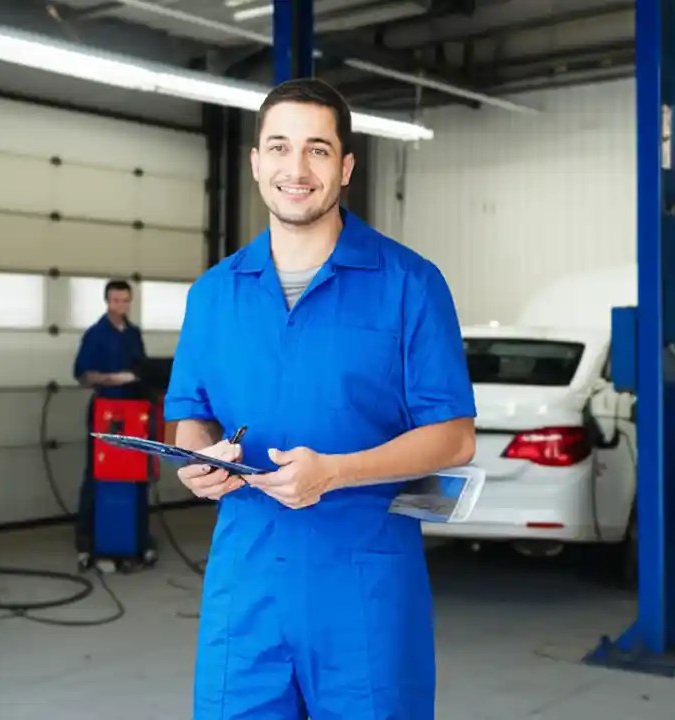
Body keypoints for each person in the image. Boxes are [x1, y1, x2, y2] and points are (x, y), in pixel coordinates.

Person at [164, 78, 477, 719]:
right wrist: (197, 459)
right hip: (245, 587)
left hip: (363, 589)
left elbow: (453, 436)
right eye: (278, 147)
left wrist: (336, 472)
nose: (296, 168)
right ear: (255, 162)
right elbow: (188, 416)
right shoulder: (212, 295)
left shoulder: (410, 284)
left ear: (347, 167)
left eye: (318, 149)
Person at [72, 279, 147, 563]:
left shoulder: (134, 334)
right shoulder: (96, 334)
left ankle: (136, 537)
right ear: (107, 302)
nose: (120, 306)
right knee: (97, 472)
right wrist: (111, 378)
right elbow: (81, 374)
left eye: (125, 301)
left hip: (135, 410)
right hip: (105, 411)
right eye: (115, 301)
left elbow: (143, 367)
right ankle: (87, 540)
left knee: (136, 472)